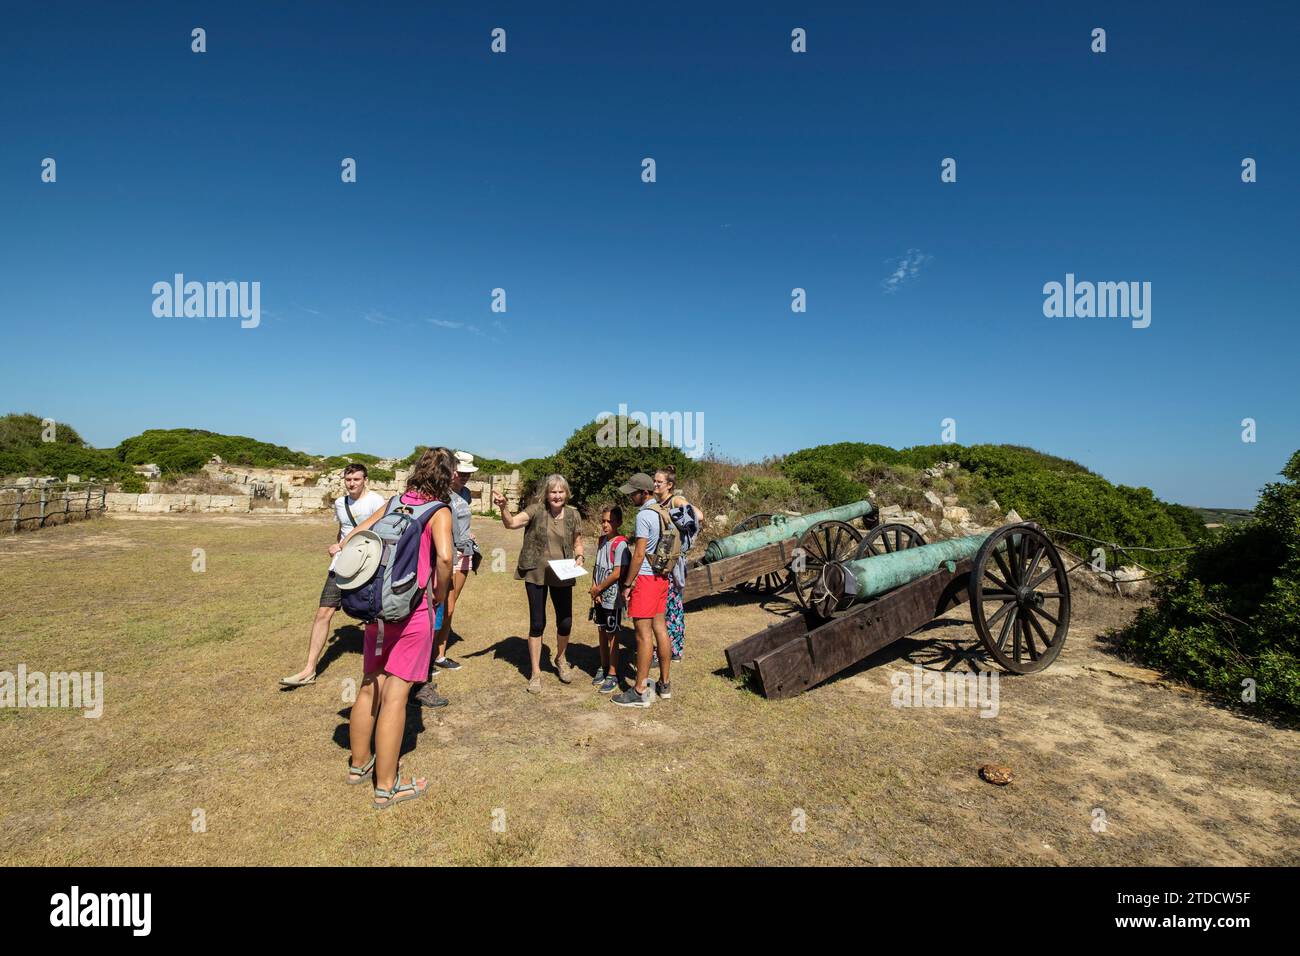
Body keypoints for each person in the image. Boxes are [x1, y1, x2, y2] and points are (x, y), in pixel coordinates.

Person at [340, 447, 454, 808]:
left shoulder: (393, 502)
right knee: (397, 694)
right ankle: (386, 785)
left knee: (371, 683)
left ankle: (359, 764)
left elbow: (355, 535)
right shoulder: (438, 511)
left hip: (376, 608)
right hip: (411, 609)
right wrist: (440, 592)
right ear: (448, 476)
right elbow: (446, 557)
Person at [280, 463, 385, 687]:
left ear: (365, 479)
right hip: (342, 565)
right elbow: (343, 529)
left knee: (374, 615)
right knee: (323, 612)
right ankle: (309, 669)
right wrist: (338, 545)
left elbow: (382, 532)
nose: (352, 484)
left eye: (356, 479)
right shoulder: (340, 503)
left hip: (368, 564)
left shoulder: (376, 501)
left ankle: (381, 666)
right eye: (348, 480)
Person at [493, 474, 585, 694]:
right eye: (553, 492)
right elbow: (512, 523)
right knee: (537, 623)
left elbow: (578, 541)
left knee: (565, 622)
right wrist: (504, 507)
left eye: (561, 491)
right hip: (536, 573)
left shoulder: (573, 514)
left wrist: (580, 556)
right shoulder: (535, 510)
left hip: (562, 573)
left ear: (566, 493)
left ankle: (561, 659)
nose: (557, 495)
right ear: (547, 494)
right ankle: (535, 673)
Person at [416, 451, 481, 704]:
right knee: (437, 606)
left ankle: (440, 655)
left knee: (450, 607)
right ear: (451, 472)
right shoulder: (440, 493)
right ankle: (425, 659)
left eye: (468, 473)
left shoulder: (464, 494)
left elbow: (461, 522)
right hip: (444, 554)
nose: (465, 477)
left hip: (464, 552)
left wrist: (469, 535)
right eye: (461, 472)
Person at [611, 473, 672, 708]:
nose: (630, 498)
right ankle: (664, 684)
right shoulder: (662, 511)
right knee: (660, 628)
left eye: (633, 493)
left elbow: (639, 554)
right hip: (661, 577)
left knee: (642, 634)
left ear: (643, 493)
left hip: (646, 578)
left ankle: (639, 691)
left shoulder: (645, 515)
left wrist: (627, 583)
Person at [654, 466, 702, 662]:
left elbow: (698, 515)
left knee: (671, 606)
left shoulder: (675, 500)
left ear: (670, 485)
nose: (655, 484)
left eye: (659, 482)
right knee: (666, 605)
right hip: (663, 560)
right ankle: (670, 648)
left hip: (673, 562)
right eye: (654, 481)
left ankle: (672, 650)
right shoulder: (659, 502)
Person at [588, 505, 630, 694]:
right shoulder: (601, 541)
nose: (605, 525)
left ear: (618, 523)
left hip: (612, 598)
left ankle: (613, 673)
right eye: (603, 521)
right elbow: (597, 567)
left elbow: (617, 573)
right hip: (599, 596)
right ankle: (604, 666)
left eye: (610, 521)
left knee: (613, 634)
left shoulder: (620, 544)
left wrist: (599, 588)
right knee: (602, 631)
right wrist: (594, 589)